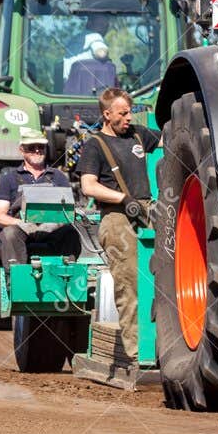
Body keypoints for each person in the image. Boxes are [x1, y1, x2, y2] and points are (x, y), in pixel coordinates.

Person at [76, 88, 159, 367]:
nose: (128, 117)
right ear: (106, 114)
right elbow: (88, 186)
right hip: (116, 218)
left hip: (147, 212)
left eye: (130, 112)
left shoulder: (139, 135)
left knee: (160, 279)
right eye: (122, 113)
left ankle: (160, 343)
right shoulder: (95, 145)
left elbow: (168, 142)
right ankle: (138, 353)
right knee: (130, 284)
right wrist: (122, 198)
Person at [0, 128, 80, 267]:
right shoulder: (9, 179)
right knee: (9, 234)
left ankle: (66, 276)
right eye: (31, 148)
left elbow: (69, 212)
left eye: (41, 147)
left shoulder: (58, 177)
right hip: (20, 229)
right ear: (22, 150)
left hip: (52, 229)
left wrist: (52, 225)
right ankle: (16, 281)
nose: (37, 150)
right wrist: (23, 224)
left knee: (70, 233)